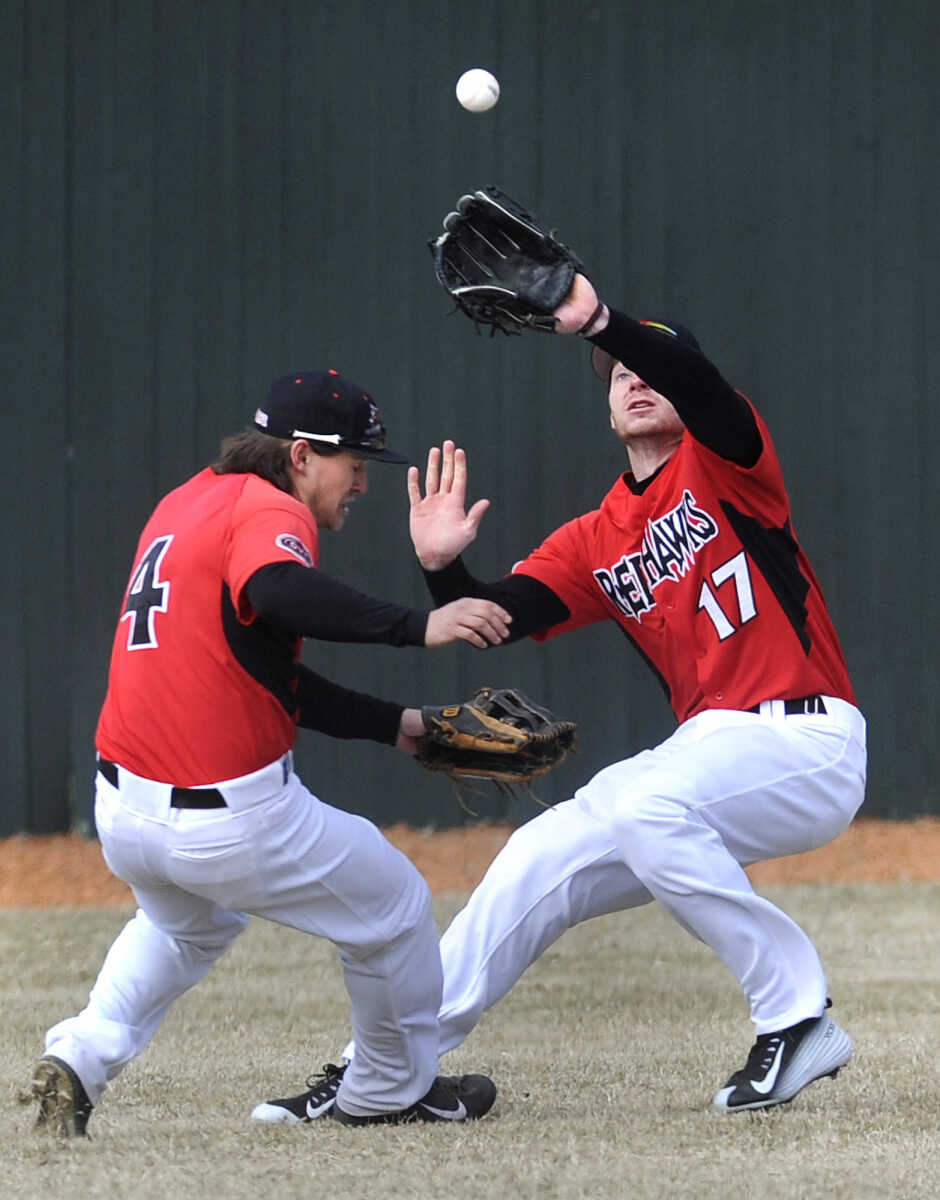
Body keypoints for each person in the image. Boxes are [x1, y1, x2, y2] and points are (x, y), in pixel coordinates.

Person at [254, 275, 867, 1121]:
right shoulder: (597, 536)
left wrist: (603, 322)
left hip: (808, 738)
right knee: (538, 857)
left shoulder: (729, 459)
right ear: (609, 410)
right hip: (708, 752)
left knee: (648, 804)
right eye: (616, 374)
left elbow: (697, 383)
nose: (635, 379)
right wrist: (441, 569)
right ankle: (383, 1072)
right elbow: (493, 620)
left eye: (650, 365)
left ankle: (796, 1015)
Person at [27, 369, 512, 1136]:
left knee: (188, 926)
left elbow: (265, 674)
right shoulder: (269, 508)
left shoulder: (186, 502)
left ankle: (80, 1058)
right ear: (300, 455)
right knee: (395, 908)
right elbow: (283, 591)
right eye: (354, 462)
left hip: (124, 810)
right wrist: (419, 625)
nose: (361, 482)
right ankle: (389, 1090)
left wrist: (404, 725)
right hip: (229, 817)